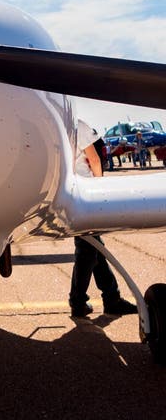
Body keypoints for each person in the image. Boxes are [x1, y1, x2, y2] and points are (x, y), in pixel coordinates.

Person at [69, 119, 137, 318]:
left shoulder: (51, 125)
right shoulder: (76, 125)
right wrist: (100, 187)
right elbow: (95, 159)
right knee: (88, 251)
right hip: (86, 193)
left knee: (94, 248)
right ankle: (78, 301)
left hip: (71, 192)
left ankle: (111, 298)